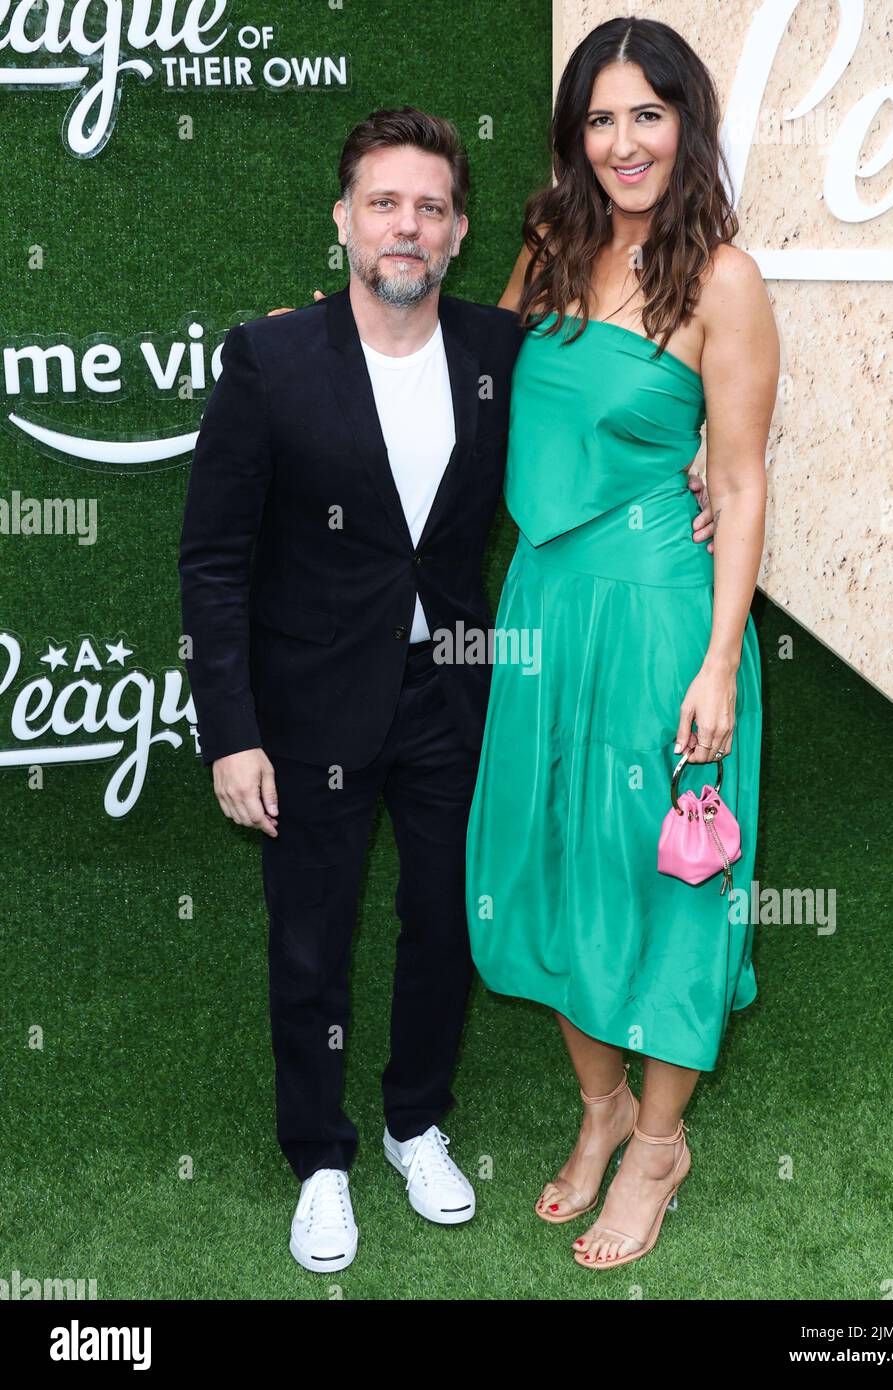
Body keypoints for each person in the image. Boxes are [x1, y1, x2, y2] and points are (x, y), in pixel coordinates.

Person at [179, 104, 717, 1274]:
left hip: (463, 690)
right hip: (309, 701)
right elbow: (212, 559)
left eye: (429, 206)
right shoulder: (269, 359)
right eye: (383, 202)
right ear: (342, 219)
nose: (405, 225)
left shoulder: (499, 349)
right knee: (311, 938)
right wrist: (232, 732)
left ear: (460, 229)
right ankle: (320, 1158)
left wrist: (696, 467)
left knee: (445, 921)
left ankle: (415, 1122)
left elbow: (609, 409)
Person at [464, 16, 779, 1271]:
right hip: (542, 608)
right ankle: (598, 1113)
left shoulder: (724, 282)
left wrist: (717, 661)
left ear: (685, 124)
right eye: (597, 118)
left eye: (645, 113)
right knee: (549, 858)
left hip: (659, 618)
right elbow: (483, 389)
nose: (620, 140)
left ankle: (657, 1144)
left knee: (661, 877)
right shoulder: (548, 246)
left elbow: (743, 486)